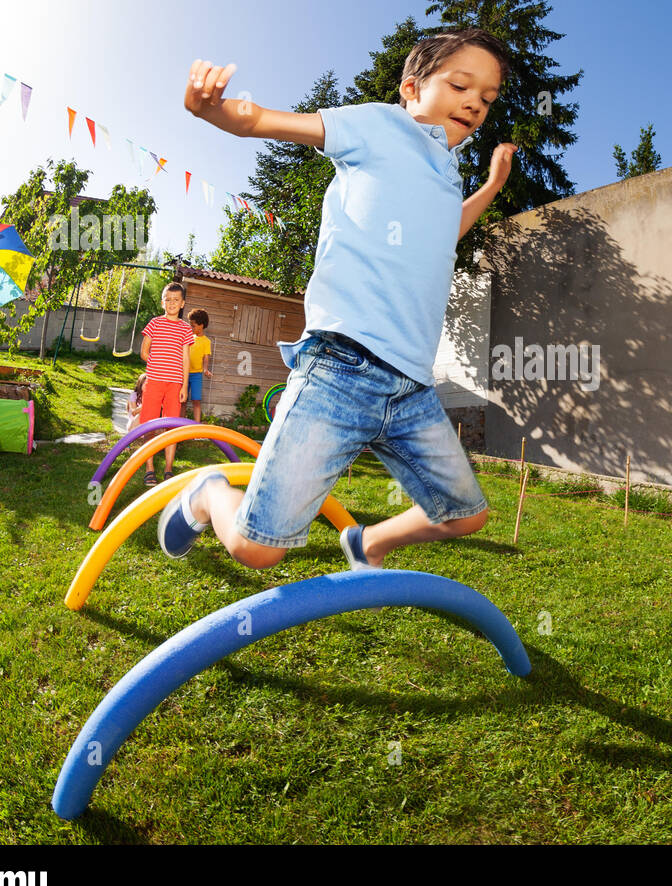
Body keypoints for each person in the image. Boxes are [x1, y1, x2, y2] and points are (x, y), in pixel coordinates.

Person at [160, 28, 516, 574]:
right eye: (462, 85)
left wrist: (490, 188)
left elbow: (446, 232)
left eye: (487, 99)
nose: (475, 103)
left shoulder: (446, 174)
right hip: (340, 368)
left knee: (464, 514)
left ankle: (367, 544)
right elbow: (265, 121)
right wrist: (212, 112)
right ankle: (211, 494)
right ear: (411, 87)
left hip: (411, 388)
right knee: (258, 549)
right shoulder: (379, 127)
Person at [139, 283, 193, 486]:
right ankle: (149, 468)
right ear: (163, 302)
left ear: (182, 304)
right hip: (154, 382)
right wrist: (156, 363)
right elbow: (144, 352)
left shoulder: (185, 329)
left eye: (176, 300)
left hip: (175, 384)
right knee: (149, 424)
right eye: (168, 299)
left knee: (171, 427)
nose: (171, 303)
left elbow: (186, 359)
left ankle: (168, 469)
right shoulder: (154, 323)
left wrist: (184, 385)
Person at [186, 308, 213, 422]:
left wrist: (205, 369)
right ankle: (177, 427)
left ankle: (196, 427)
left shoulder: (206, 341)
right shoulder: (188, 338)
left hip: (196, 375)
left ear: (201, 325)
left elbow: (206, 357)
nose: (191, 328)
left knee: (196, 400)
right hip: (185, 373)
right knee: (182, 401)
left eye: (193, 325)